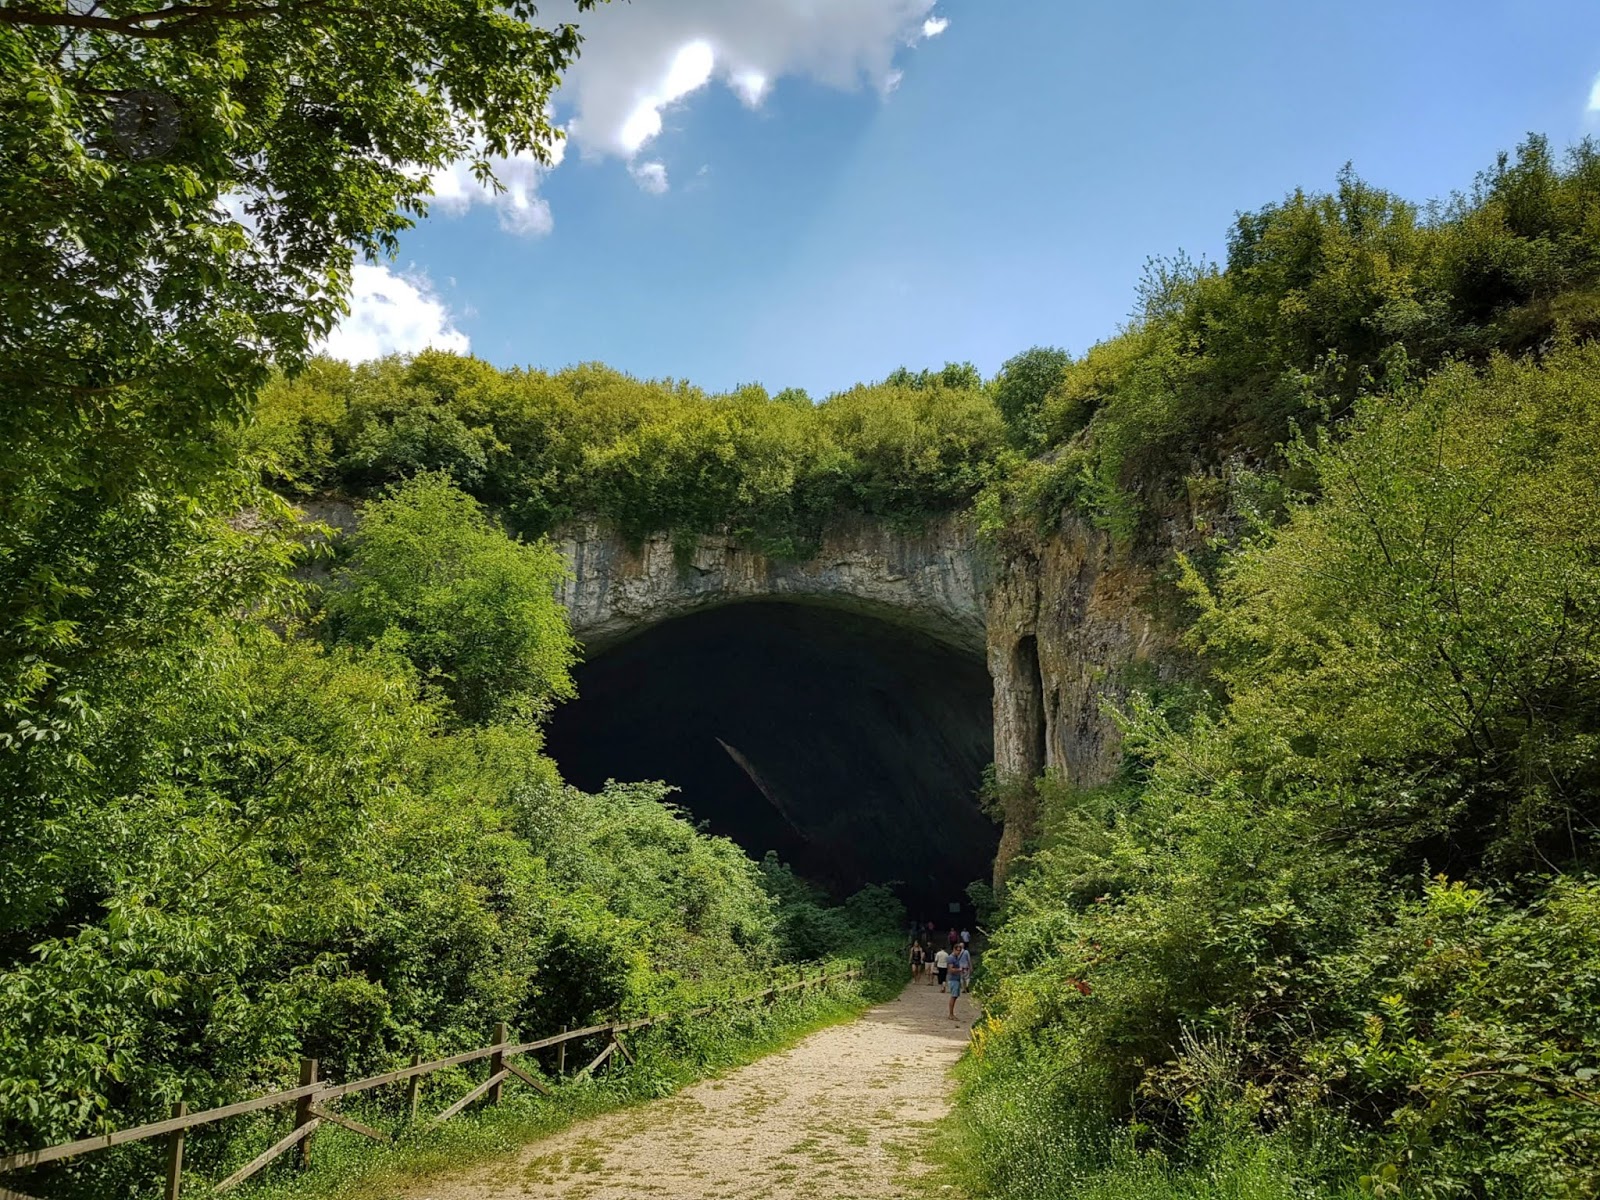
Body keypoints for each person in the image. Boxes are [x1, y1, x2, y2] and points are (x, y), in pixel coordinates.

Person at [947, 940, 972, 1021]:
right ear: (954, 949)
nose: (959, 952)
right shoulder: (951, 958)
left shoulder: (956, 958)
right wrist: (959, 969)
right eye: (958, 950)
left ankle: (951, 1013)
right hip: (953, 979)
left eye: (960, 951)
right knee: (953, 996)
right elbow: (951, 970)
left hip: (956, 979)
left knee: (955, 996)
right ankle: (951, 1014)